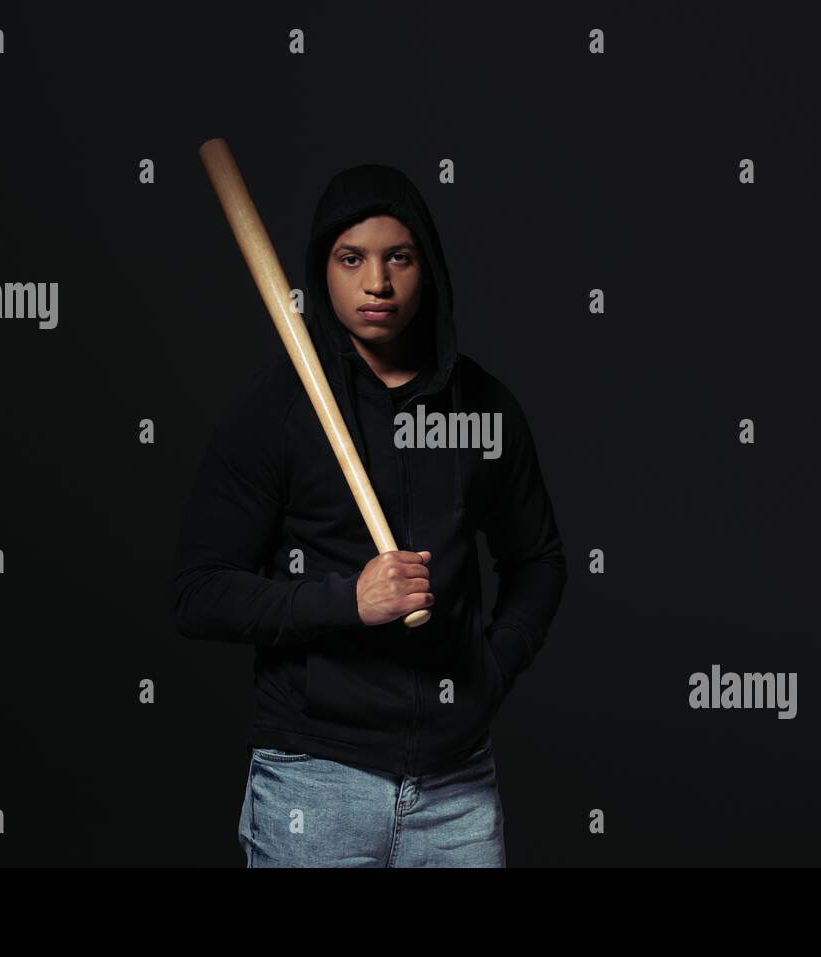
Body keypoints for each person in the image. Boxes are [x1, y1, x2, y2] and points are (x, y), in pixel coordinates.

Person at [172, 163, 567, 867]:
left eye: (399, 258)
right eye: (351, 259)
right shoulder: (279, 412)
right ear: (323, 270)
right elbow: (199, 593)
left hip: (457, 789)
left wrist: (492, 668)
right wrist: (348, 601)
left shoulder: (484, 407)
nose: (376, 283)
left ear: (428, 268)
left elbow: (537, 559)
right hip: (314, 780)